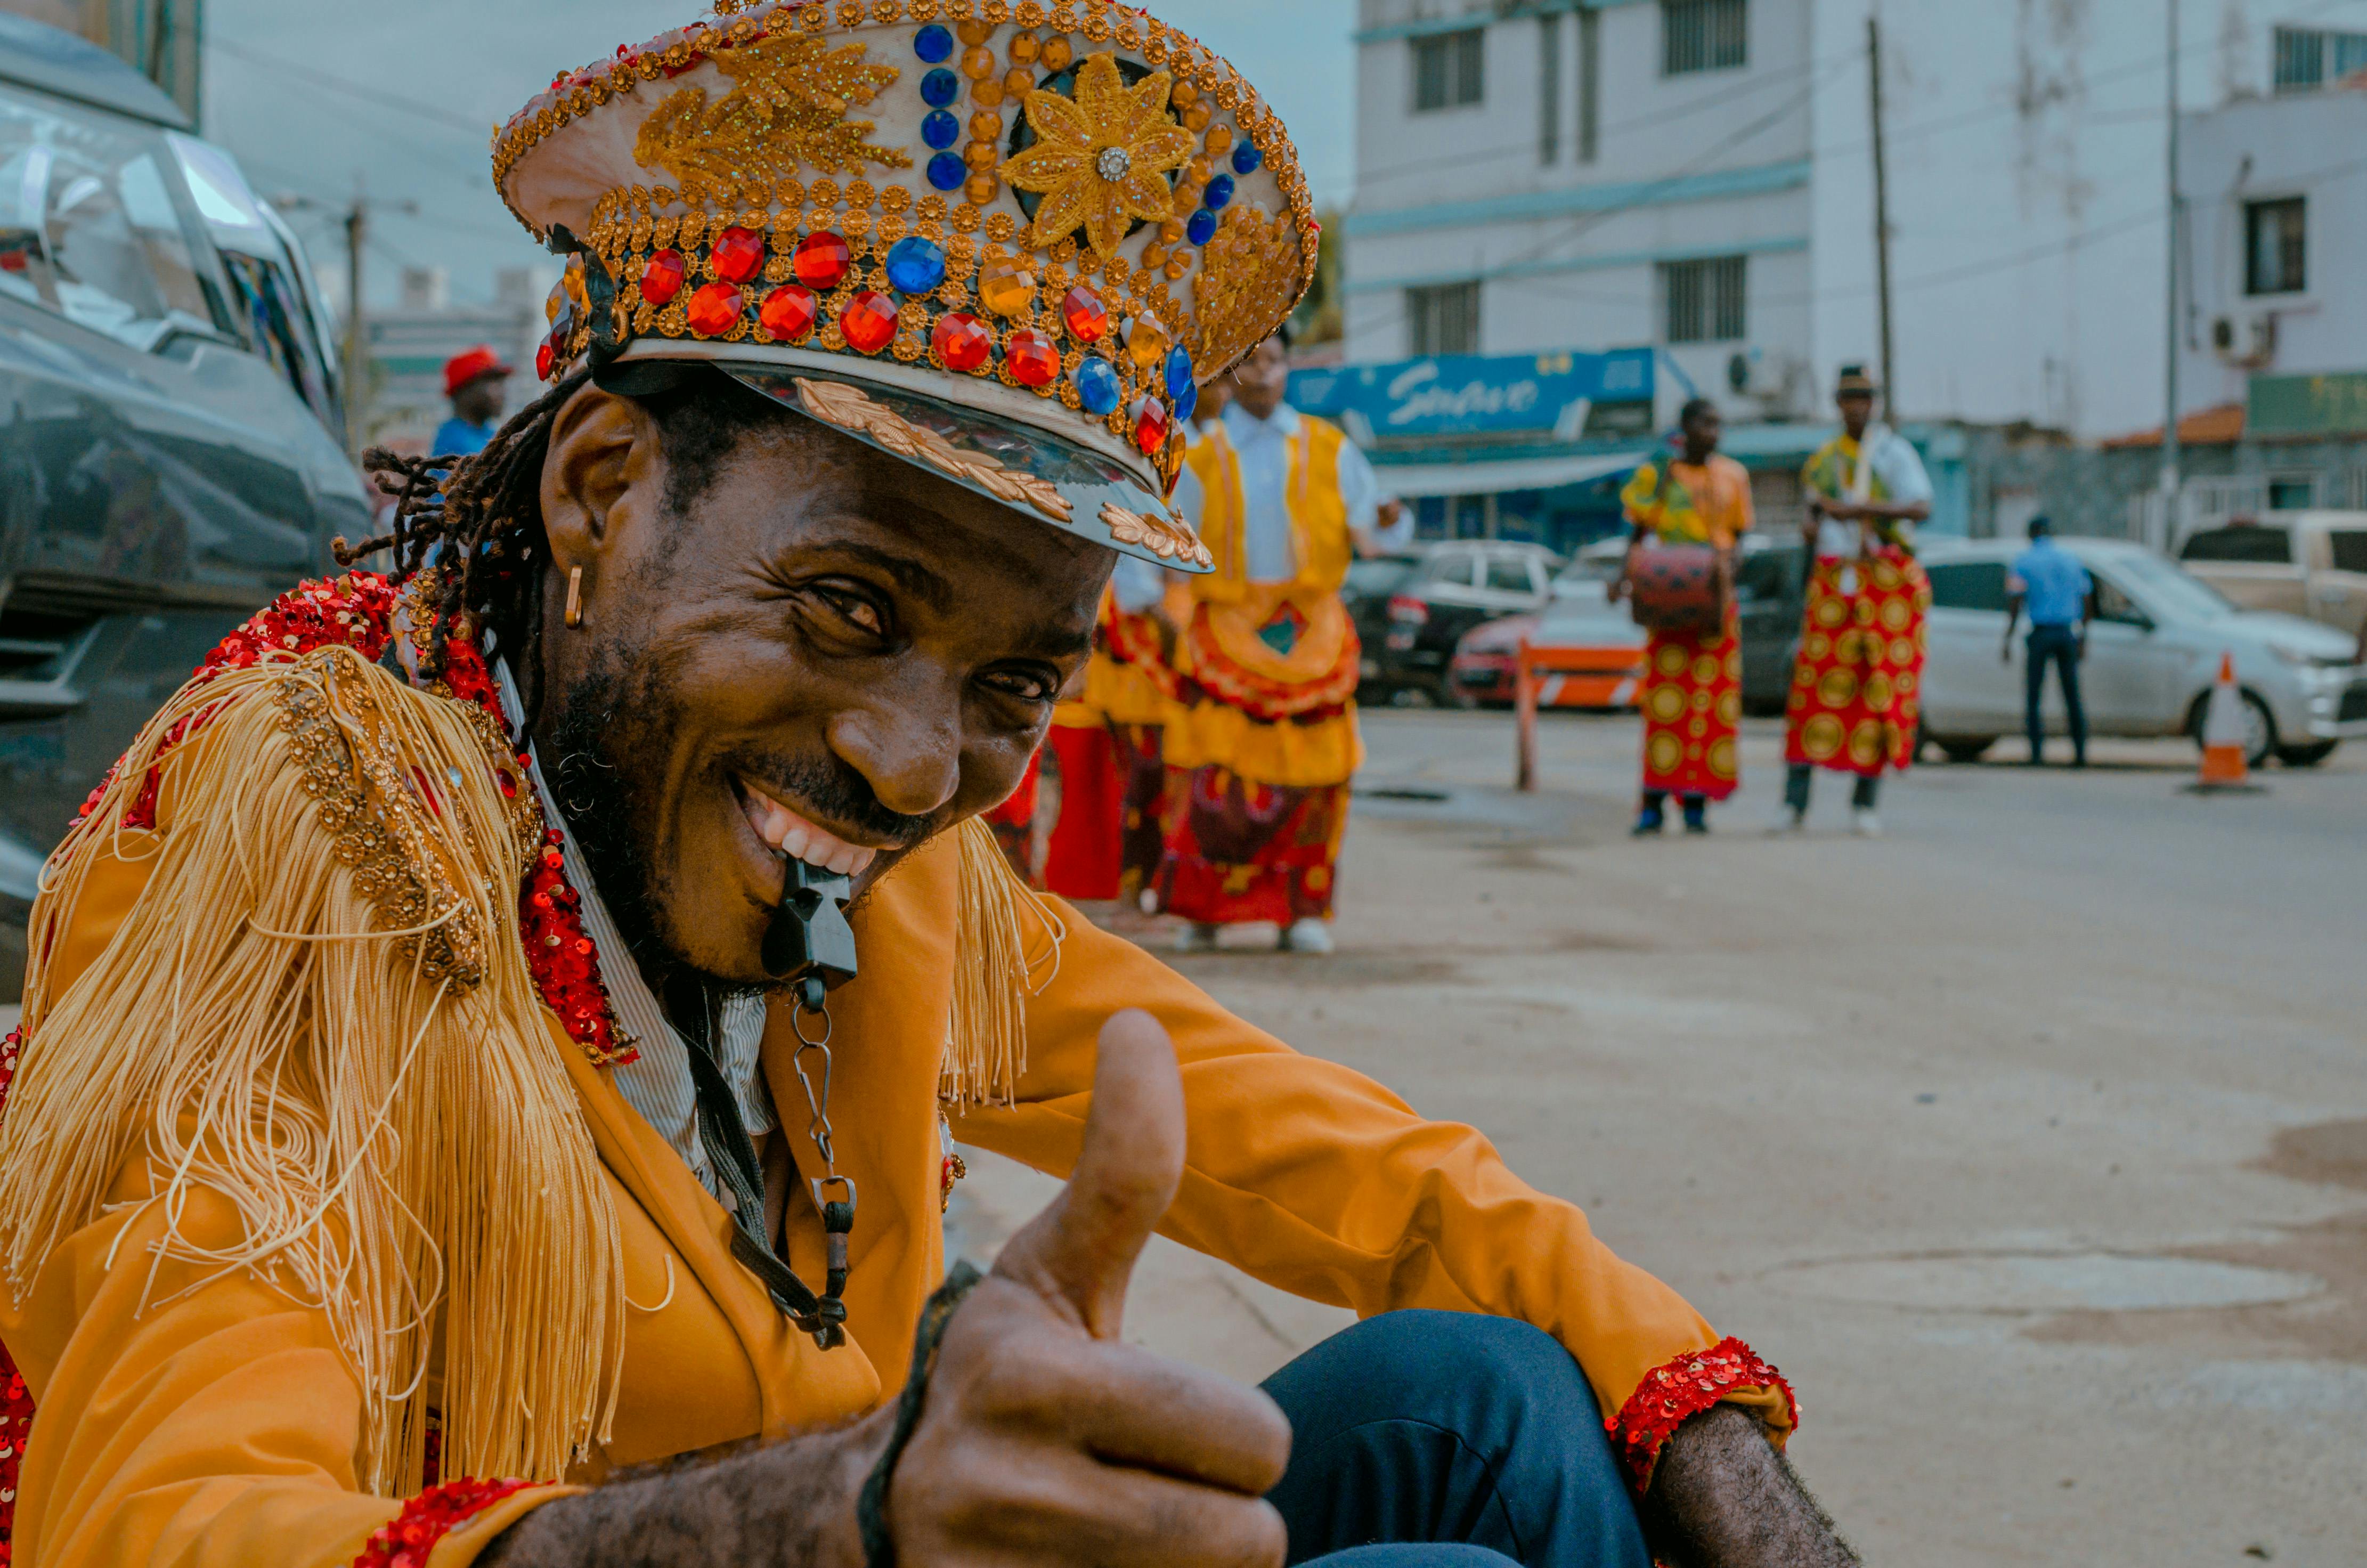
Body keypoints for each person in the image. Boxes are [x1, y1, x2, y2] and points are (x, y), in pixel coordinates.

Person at [0, 11, 1857, 1568]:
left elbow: (1350, 1159)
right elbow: (160, 1521)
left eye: (1011, 679)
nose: (909, 758)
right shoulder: (309, 841)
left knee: (1505, 1393)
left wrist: (1713, 1435)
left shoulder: (876, 865)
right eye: (848, 605)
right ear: (598, 489)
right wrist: (826, 1513)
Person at [1144, 329, 1386, 957]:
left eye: (1272, 360)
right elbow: (1167, 542)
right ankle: (1205, 911)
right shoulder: (1199, 457)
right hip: (1225, 622)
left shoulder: (1331, 449)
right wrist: (1168, 604)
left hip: (1311, 633)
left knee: (1317, 778)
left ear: (1289, 368)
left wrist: (1388, 522)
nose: (1261, 373)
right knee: (1211, 778)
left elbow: (1375, 523)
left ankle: (1302, 911)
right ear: (1230, 369)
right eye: (1247, 360)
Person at [1778, 364, 1933, 837]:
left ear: (1875, 401)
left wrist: (1861, 510)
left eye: (1864, 396)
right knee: (1810, 692)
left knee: (1876, 694)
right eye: (1849, 396)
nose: (1857, 405)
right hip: (1832, 584)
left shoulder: (1893, 453)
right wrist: (1812, 526)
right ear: (1837, 402)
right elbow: (1811, 514)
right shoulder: (1824, 459)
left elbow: (1920, 507)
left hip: (1880, 584)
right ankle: (1795, 804)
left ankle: (1865, 804)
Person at [1612, 398, 1752, 835]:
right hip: (1671, 603)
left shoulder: (1734, 475)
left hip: (1715, 602)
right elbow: (1638, 533)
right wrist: (1623, 576)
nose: (1713, 432)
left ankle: (1696, 806)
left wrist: (1726, 571)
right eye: (1705, 423)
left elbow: (1741, 536)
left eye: (1717, 424)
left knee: (1710, 708)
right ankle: (1651, 804)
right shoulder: (1659, 475)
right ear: (1685, 427)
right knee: (1665, 708)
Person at [2002, 515, 2094, 767]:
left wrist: (2008, 637)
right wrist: (2084, 635)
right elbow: (2087, 599)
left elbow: (2015, 600)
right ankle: (2080, 753)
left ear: (2031, 534)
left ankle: (2036, 754)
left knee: (2034, 696)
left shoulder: (2023, 560)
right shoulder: (2071, 559)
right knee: (2072, 695)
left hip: (2040, 633)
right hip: (2066, 632)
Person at [433, 344, 513, 459]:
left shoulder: (489, 433)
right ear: (464, 390)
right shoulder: (454, 443)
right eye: (492, 381)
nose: (503, 393)